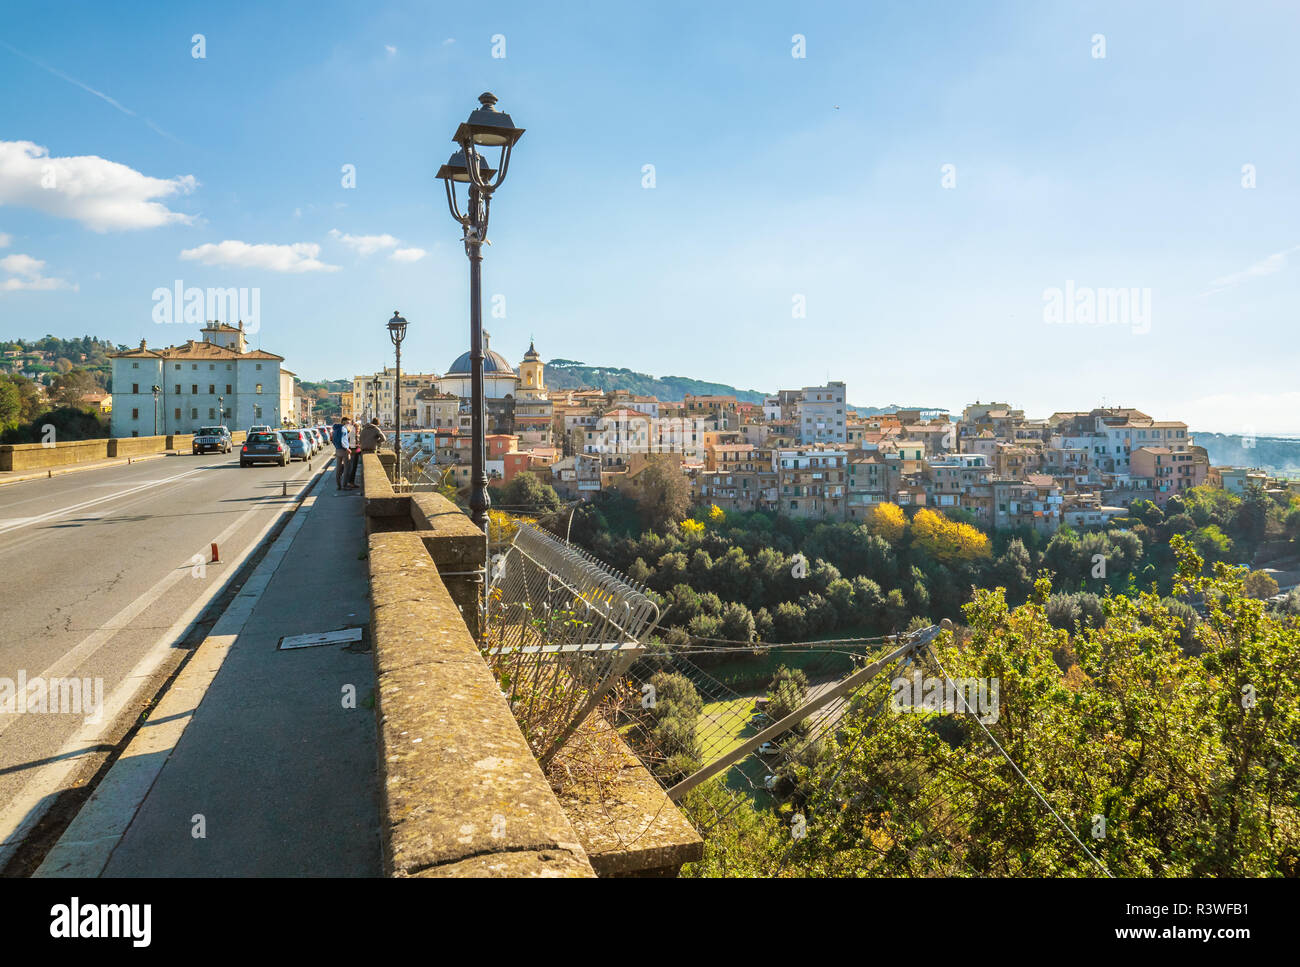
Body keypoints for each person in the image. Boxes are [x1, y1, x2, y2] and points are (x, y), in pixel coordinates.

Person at [332, 420, 354, 490]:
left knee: (338, 469)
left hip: (338, 450)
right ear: (345, 423)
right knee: (347, 469)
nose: (350, 425)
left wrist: (337, 447)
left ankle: (339, 485)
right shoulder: (343, 429)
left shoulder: (335, 429)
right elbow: (342, 440)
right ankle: (344, 485)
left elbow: (332, 440)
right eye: (349, 423)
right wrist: (347, 449)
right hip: (344, 450)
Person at [346, 418, 362, 488]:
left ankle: (351, 482)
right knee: (352, 468)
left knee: (353, 468)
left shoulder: (355, 434)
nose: (358, 430)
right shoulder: (352, 435)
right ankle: (350, 482)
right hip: (353, 453)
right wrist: (358, 445)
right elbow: (351, 444)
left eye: (358, 429)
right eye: (357, 429)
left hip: (356, 452)